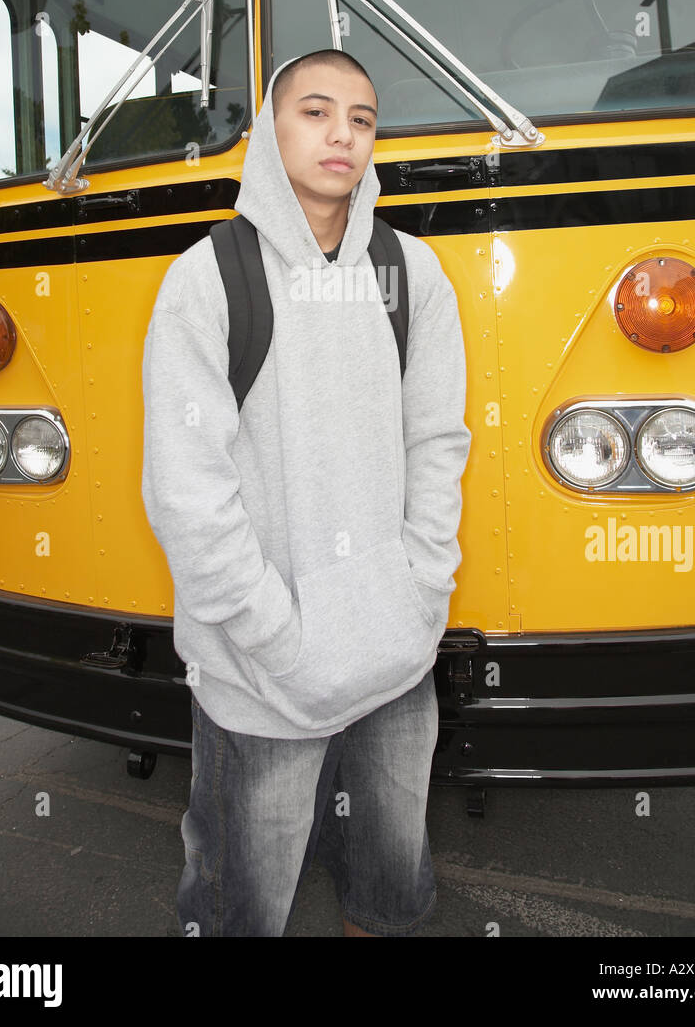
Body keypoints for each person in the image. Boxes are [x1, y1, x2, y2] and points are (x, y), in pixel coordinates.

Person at [141, 48, 471, 937]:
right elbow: (186, 489)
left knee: (388, 889)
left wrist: (423, 592)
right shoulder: (208, 280)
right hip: (263, 674)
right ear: (268, 131)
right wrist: (273, 635)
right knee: (240, 902)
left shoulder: (414, 274)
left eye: (362, 119)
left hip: (396, 658)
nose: (343, 134)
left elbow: (437, 442)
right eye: (316, 112)